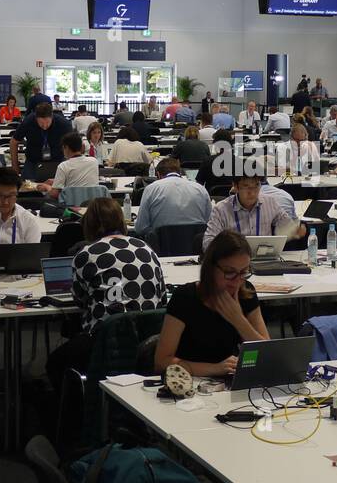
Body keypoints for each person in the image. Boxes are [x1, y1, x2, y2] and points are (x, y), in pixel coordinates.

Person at [155, 231, 270, 378]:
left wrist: (239, 320)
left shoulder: (245, 292)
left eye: (243, 272)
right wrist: (214, 368)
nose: (237, 281)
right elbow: (161, 362)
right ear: (211, 268)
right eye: (229, 272)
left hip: (227, 382)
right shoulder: (185, 298)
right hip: (189, 383)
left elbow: (266, 355)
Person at [69, 196, 166, 333]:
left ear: (88, 225)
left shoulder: (86, 254)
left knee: (60, 354)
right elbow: (162, 296)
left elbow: (79, 299)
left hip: (105, 338)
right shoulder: (146, 248)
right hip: (148, 337)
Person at [203, 174, 306, 248]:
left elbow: (288, 227)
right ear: (235, 187)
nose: (252, 193)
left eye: (256, 186)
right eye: (246, 187)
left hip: (265, 260)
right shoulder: (221, 210)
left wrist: (295, 230)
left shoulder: (270, 203)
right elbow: (207, 243)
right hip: (234, 261)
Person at [133, 157, 213, 237]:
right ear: (180, 173)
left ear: (158, 174)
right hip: (195, 246)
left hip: (161, 246)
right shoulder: (200, 189)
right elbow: (209, 224)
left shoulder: (151, 189)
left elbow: (141, 228)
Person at [9, 103, 69, 179]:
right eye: (41, 123)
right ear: (36, 118)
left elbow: (73, 144)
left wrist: (69, 165)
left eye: (47, 123)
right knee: (27, 188)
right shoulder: (29, 121)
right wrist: (15, 167)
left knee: (58, 188)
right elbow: (13, 142)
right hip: (33, 162)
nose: (44, 126)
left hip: (57, 161)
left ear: (52, 117)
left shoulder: (63, 124)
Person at [37, 132, 100, 199]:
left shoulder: (63, 166)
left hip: (71, 206)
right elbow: (78, 180)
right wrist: (56, 181)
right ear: (82, 146)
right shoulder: (94, 161)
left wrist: (47, 187)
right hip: (91, 205)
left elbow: (54, 194)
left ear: (66, 147)